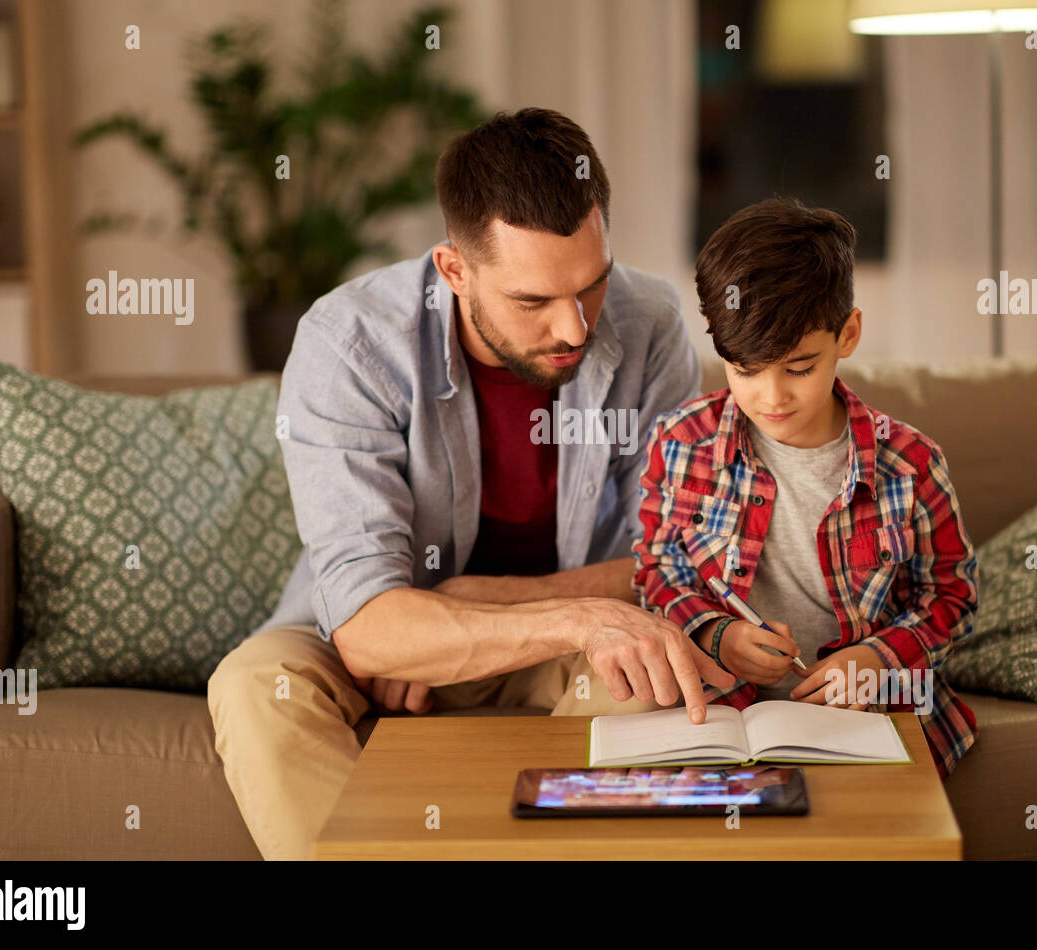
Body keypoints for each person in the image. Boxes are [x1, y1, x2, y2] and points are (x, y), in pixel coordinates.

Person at [207, 107, 735, 860]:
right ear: (454, 270)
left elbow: (671, 567)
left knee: (651, 678)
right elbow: (365, 626)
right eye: (532, 302)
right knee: (255, 687)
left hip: (536, 646)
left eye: (591, 285)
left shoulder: (649, 325)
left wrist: (447, 611)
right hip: (419, 640)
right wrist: (576, 616)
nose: (575, 330)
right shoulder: (348, 345)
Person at [630, 198, 980, 780]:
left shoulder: (911, 464)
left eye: (798, 368)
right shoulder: (679, 442)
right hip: (725, 713)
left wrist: (876, 661)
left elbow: (952, 599)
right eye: (744, 370)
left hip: (873, 716)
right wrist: (716, 635)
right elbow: (656, 569)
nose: (772, 397)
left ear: (849, 334)